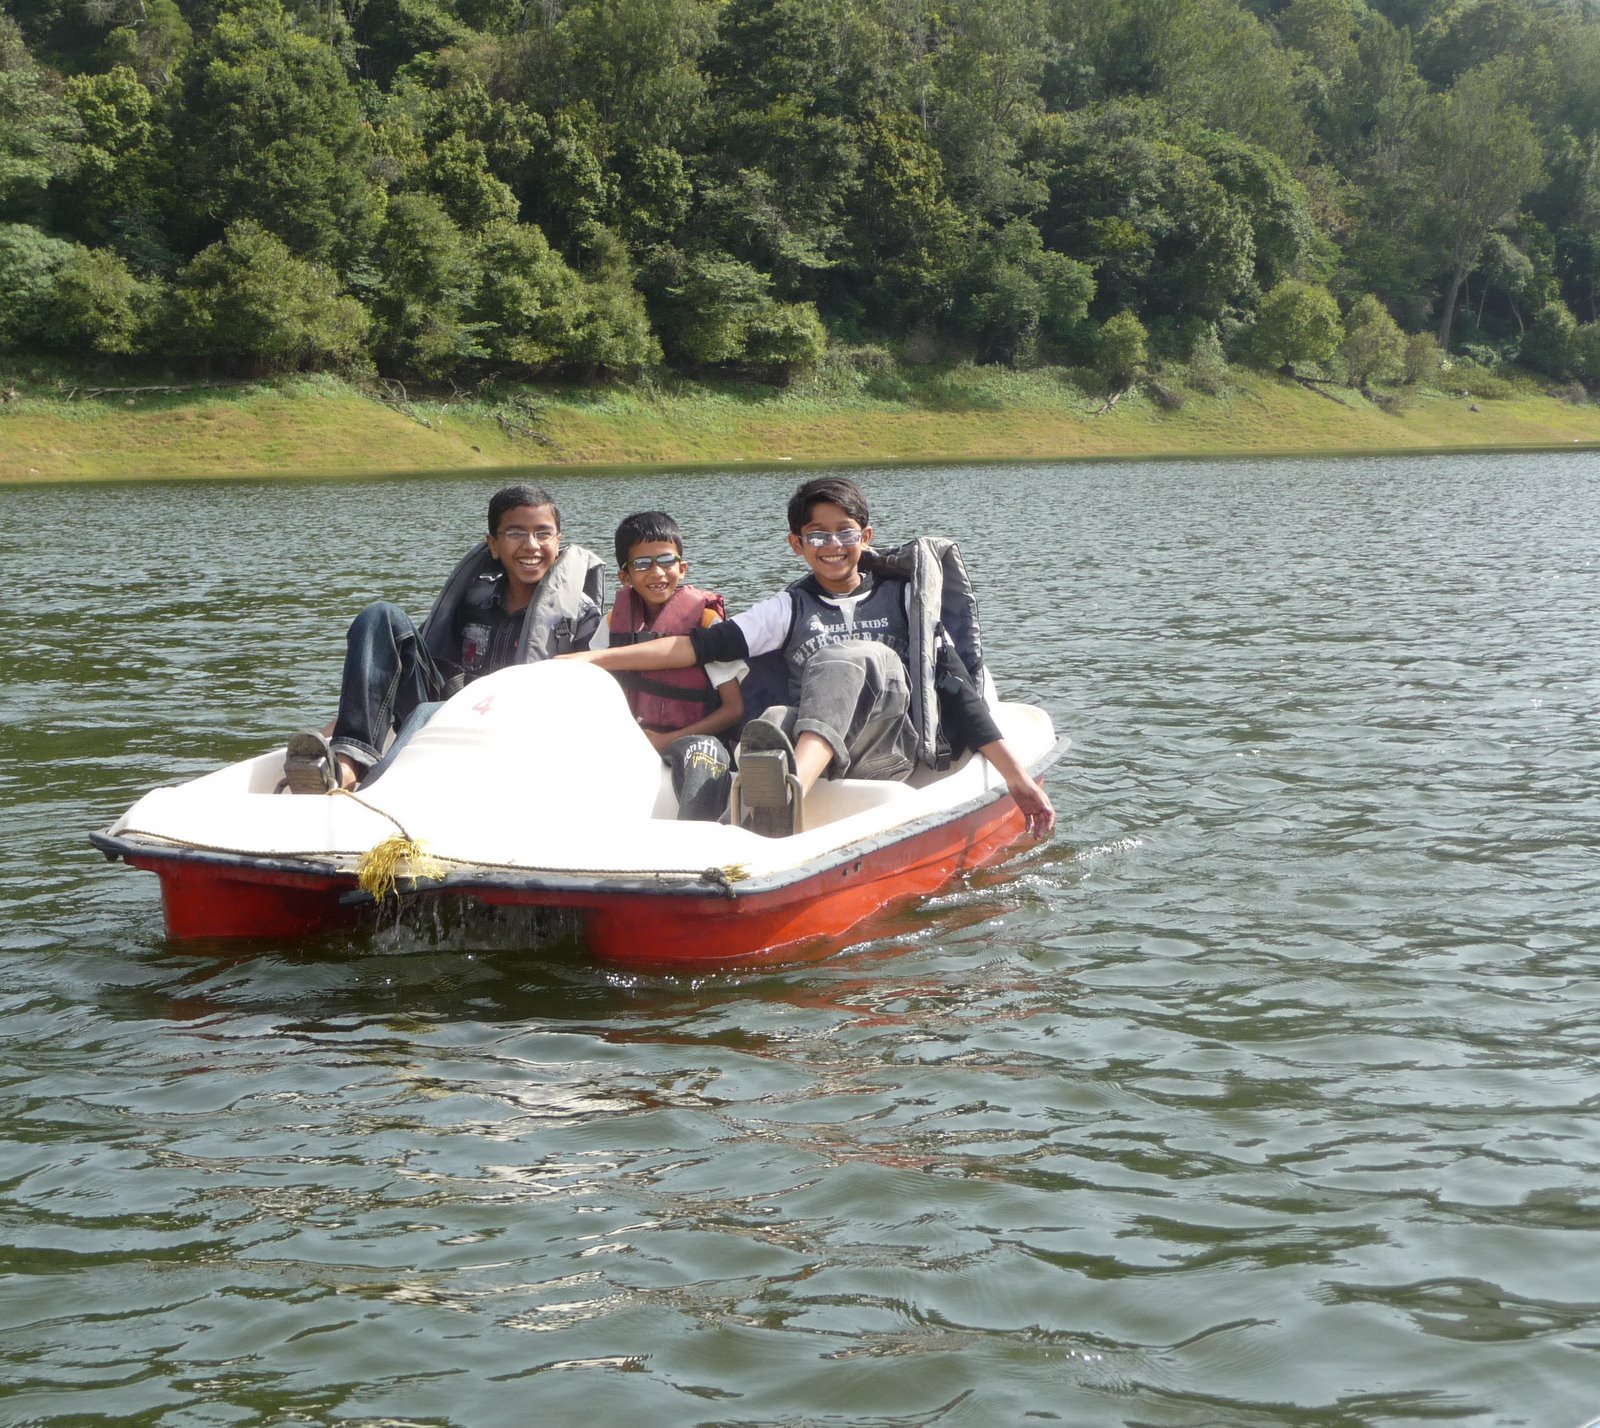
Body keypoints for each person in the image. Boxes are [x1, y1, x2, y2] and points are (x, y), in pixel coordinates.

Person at [566, 476, 1056, 838]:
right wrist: (587, 662)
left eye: (844, 532)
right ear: (797, 545)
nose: (832, 546)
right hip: (819, 749)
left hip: (886, 750)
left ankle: (790, 788)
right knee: (775, 718)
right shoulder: (789, 606)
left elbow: (953, 684)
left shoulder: (905, 599)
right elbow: (697, 647)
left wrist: (1016, 776)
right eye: (817, 536)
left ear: (865, 536)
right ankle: (757, 804)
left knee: (850, 655)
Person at [281, 483, 606, 793]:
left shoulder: (578, 615)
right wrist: (338, 726)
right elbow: (396, 668)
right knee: (380, 615)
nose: (531, 545)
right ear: (493, 544)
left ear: (558, 541)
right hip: (448, 719)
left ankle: (375, 791)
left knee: (427, 713)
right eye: (515, 533)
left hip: (520, 731)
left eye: (542, 533)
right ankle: (350, 763)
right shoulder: (473, 600)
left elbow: (591, 694)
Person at [588, 511, 745, 820]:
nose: (657, 573)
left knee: (704, 752)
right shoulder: (610, 624)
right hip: (631, 739)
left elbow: (733, 708)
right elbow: (595, 693)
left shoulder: (707, 623)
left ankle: (695, 846)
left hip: (692, 739)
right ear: (625, 576)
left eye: (666, 561)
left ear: (682, 568)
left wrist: (665, 741)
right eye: (642, 564)